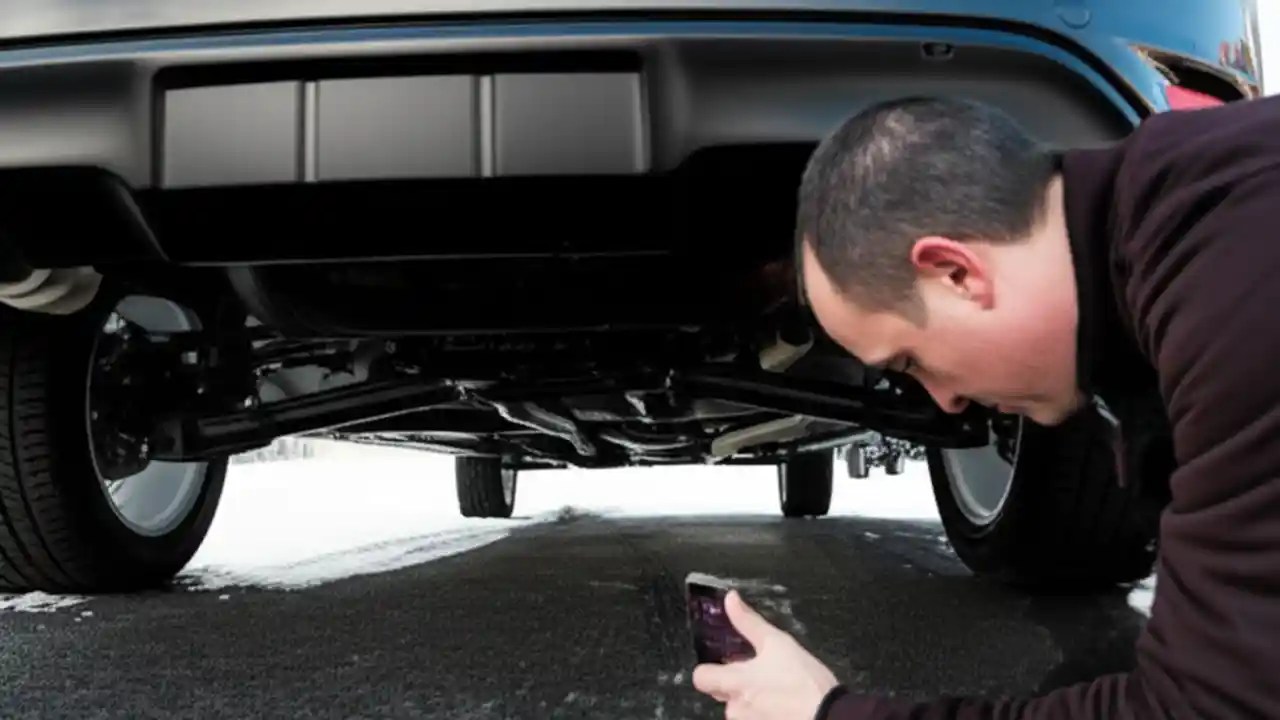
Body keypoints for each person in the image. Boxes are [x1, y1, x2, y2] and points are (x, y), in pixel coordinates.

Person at [691, 92, 1280, 718]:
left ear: (955, 273)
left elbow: (1208, 707)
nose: (944, 403)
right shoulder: (1182, 220)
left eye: (909, 363)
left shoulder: (1239, 294)